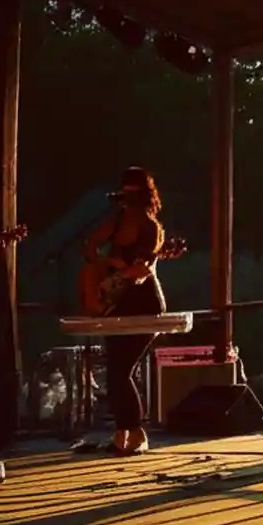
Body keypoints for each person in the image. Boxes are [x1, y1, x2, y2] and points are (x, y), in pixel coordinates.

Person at [82, 167, 168, 455]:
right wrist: (102, 265)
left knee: (122, 370)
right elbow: (91, 243)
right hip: (117, 302)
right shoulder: (116, 221)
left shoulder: (151, 227)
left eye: (132, 194)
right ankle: (123, 433)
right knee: (115, 371)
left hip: (144, 303)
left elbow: (142, 271)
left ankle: (137, 433)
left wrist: (121, 268)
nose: (127, 200)